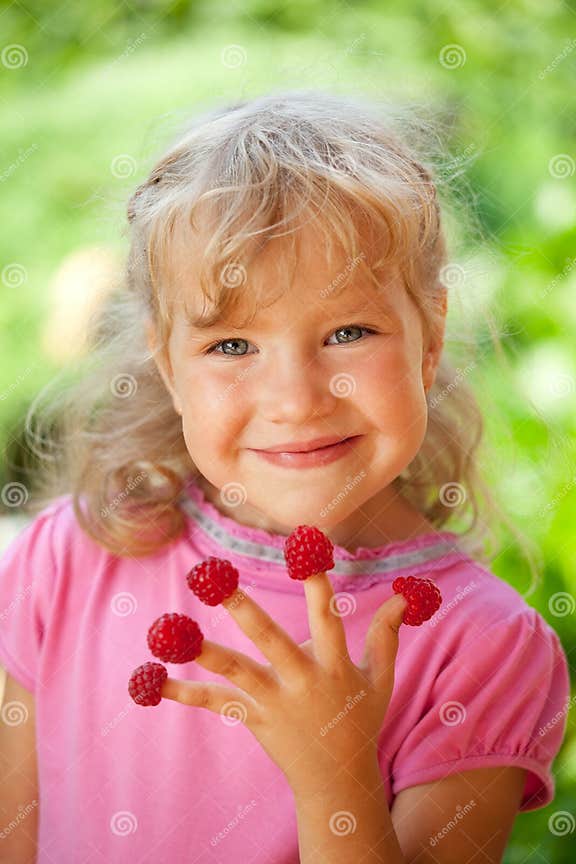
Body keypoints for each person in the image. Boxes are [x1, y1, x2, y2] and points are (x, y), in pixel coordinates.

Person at [0, 89, 570, 864]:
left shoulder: (483, 648)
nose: (297, 400)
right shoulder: (70, 559)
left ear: (429, 338)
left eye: (346, 332)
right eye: (232, 346)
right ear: (168, 366)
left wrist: (335, 776)